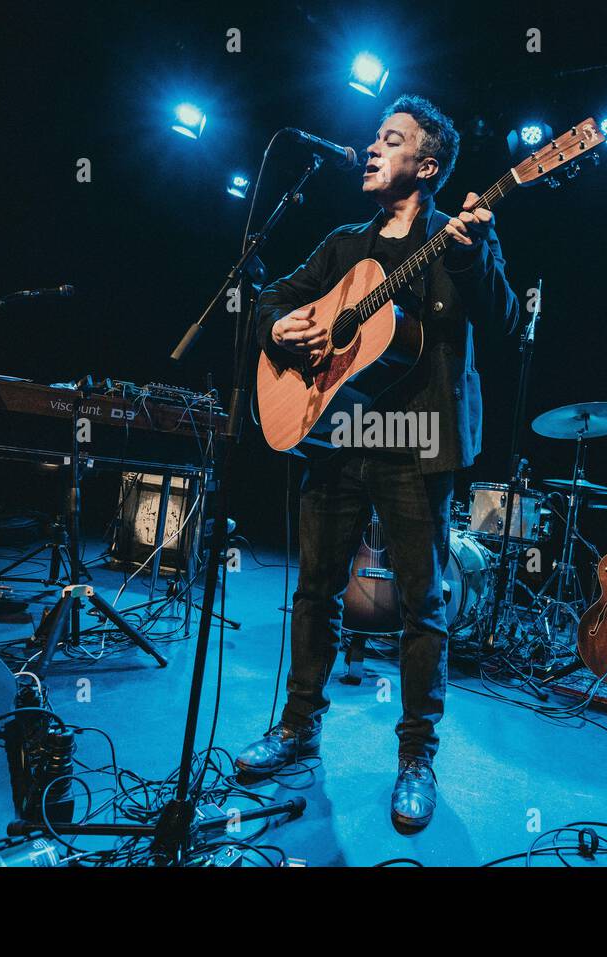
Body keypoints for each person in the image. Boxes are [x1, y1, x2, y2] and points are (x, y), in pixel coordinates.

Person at [238, 94, 519, 831]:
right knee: (315, 591)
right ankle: (298, 727)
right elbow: (272, 294)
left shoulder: (456, 237)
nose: (371, 148)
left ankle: (417, 756)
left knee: (422, 606)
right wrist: (279, 328)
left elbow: (506, 320)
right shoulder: (341, 244)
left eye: (390, 141)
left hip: (418, 439)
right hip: (336, 434)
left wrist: (475, 252)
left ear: (426, 165)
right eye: (374, 137)